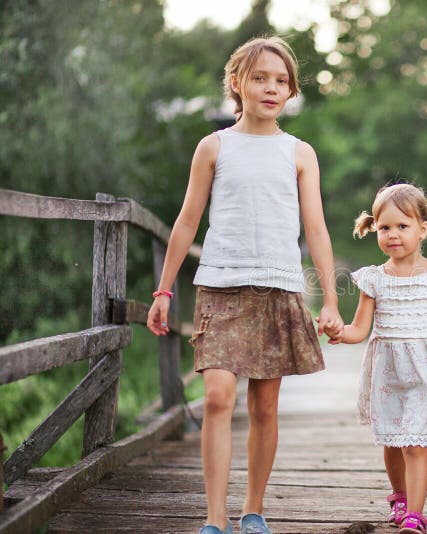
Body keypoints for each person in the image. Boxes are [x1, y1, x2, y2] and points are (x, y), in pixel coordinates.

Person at [146, 36, 343, 534]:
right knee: (217, 397)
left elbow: (316, 229)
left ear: (291, 90)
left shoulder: (299, 153)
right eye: (260, 78)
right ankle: (214, 519)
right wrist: (163, 291)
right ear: (237, 83)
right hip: (221, 286)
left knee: (265, 406)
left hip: (277, 288)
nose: (272, 88)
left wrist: (331, 300)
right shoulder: (214, 147)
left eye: (281, 81)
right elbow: (187, 220)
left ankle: (253, 510)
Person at [326, 183, 427, 534]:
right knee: (392, 442)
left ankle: (415, 513)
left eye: (402, 226)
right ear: (374, 230)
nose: (393, 234)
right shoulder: (373, 279)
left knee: (414, 443)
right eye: (385, 227)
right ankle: (399, 496)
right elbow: (359, 329)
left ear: (423, 229)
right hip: (388, 374)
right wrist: (339, 332)